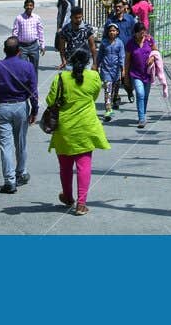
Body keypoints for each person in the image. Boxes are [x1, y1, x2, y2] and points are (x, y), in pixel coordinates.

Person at [44, 48, 109, 216]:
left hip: (64, 129)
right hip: (86, 127)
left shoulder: (61, 78)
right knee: (84, 165)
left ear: (71, 61)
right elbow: (94, 96)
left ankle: (67, 196)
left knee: (65, 166)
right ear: (87, 62)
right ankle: (81, 204)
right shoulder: (94, 77)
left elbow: (50, 100)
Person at [0, 36, 38, 194]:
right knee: (21, 142)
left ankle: (9, 181)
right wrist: (35, 109)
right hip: (21, 107)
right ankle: (21, 173)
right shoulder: (28, 67)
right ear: (19, 51)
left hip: (3, 108)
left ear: (4, 50)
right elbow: (33, 91)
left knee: (6, 146)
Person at [126, 26, 158, 128]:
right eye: (140, 33)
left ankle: (143, 114)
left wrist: (152, 57)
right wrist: (125, 75)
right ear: (135, 33)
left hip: (147, 73)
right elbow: (127, 61)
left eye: (144, 32)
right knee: (140, 93)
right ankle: (141, 118)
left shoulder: (149, 40)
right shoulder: (130, 43)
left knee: (146, 95)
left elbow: (156, 52)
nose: (142, 35)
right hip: (135, 73)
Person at [97, 23, 126, 119]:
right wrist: (96, 66)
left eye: (114, 30)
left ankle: (113, 101)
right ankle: (108, 110)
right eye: (110, 31)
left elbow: (122, 57)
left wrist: (123, 70)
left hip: (116, 71)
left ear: (117, 32)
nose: (112, 32)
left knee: (114, 91)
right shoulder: (104, 43)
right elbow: (100, 55)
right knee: (107, 91)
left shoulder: (120, 43)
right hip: (106, 70)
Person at [57, 5, 97, 70]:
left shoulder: (87, 28)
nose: (78, 19)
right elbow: (62, 48)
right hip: (70, 63)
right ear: (71, 17)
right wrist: (63, 60)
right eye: (76, 18)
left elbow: (92, 46)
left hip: (85, 63)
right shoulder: (65, 30)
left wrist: (95, 63)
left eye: (80, 17)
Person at [12, 0, 44, 70]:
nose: (29, 7)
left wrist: (42, 45)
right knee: (23, 68)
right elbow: (15, 33)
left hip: (34, 46)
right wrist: (15, 46)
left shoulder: (37, 18)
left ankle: (34, 81)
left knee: (34, 68)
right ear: (24, 6)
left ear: (33, 7)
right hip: (22, 47)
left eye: (31, 5)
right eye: (27, 5)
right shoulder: (19, 18)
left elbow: (40, 32)